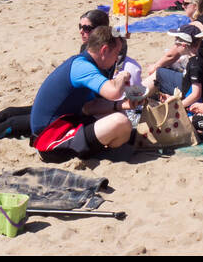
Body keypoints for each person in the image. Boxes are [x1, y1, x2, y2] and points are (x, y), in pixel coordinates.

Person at [0, 10, 112, 143]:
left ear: (100, 31)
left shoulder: (105, 57)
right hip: (67, 106)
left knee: (13, 123)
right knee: (11, 111)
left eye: (87, 28)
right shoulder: (86, 50)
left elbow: (99, 95)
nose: (82, 31)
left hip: (74, 114)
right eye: (80, 26)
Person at [29, 25, 133, 161]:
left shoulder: (83, 63)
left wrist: (121, 105)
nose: (117, 58)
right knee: (121, 122)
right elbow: (113, 92)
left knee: (118, 115)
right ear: (104, 50)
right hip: (50, 141)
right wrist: (122, 76)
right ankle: (108, 153)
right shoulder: (82, 67)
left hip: (62, 128)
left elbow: (89, 106)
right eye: (116, 53)